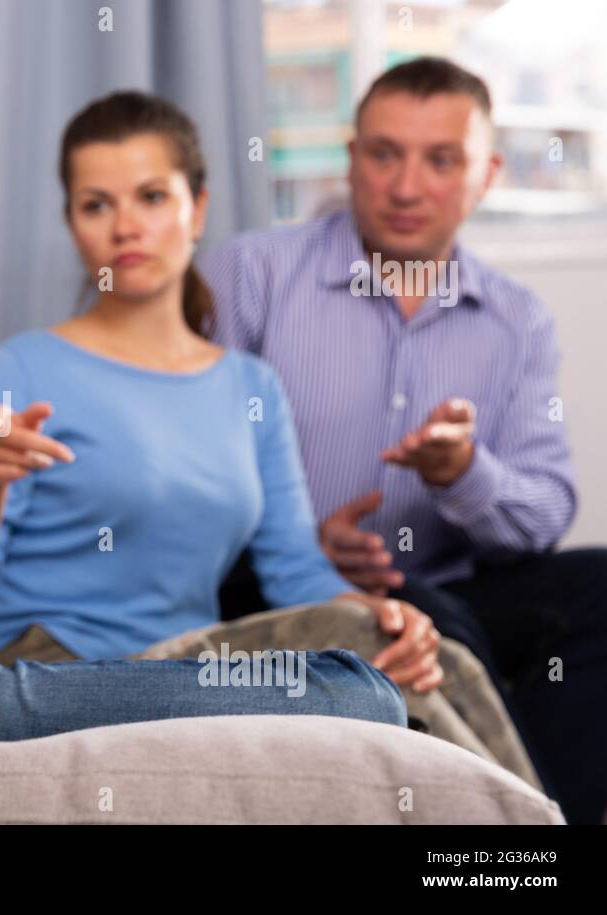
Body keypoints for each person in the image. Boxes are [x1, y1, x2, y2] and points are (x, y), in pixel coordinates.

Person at [0, 91, 418, 741]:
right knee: (364, 699)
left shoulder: (253, 386)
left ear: (198, 209)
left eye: (151, 197)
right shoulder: (24, 368)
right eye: (96, 204)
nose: (125, 226)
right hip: (37, 676)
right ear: (73, 224)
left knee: (394, 654)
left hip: (180, 669)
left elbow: (295, 571)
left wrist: (387, 616)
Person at [201, 56, 607, 824]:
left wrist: (464, 472)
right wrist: (300, 538)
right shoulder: (249, 275)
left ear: (485, 175)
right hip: (267, 579)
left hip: (454, 586)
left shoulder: (517, 319)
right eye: (385, 153)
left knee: (595, 586)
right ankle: (523, 841)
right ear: (352, 158)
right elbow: (184, 461)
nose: (408, 186)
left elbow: (545, 513)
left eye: (441, 160)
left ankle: (563, 816)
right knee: (423, 613)